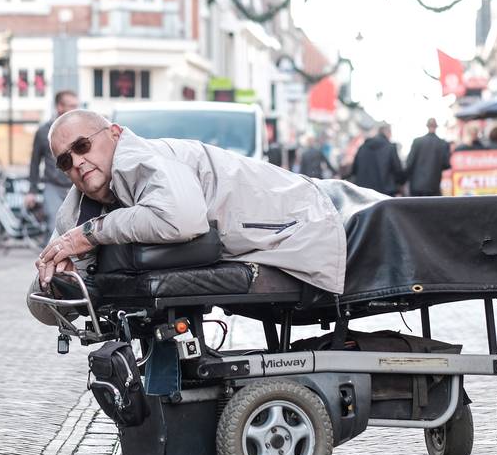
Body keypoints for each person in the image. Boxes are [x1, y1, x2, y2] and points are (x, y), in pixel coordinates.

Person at [28, 110, 349, 325]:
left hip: (309, 222)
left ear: (114, 133)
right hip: (301, 214)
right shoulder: (75, 209)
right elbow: (38, 303)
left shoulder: (135, 159)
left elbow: (182, 219)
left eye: (83, 145)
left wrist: (93, 233)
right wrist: (58, 283)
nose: (78, 162)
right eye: (65, 161)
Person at [28, 90, 79, 232]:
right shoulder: (43, 132)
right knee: (54, 227)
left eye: (77, 105)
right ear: (60, 107)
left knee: (76, 228)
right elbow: (34, 162)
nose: (76, 110)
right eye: (72, 106)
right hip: (53, 186)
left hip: (77, 187)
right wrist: (31, 191)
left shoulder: (81, 130)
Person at [348, 123, 404, 196]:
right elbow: (397, 170)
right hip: (384, 193)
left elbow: (354, 170)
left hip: (363, 192)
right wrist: (400, 184)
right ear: (388, 133)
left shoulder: (362, 147)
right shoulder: (390, 148)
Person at [402, 118, 450, 196]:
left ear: (427, 126)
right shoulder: (442, 144)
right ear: (436, 127)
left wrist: (403, 180)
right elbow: (446, 164)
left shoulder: (417, 142)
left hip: (416, 186)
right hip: (433, 186)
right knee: (432, 207)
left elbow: (409, 163)